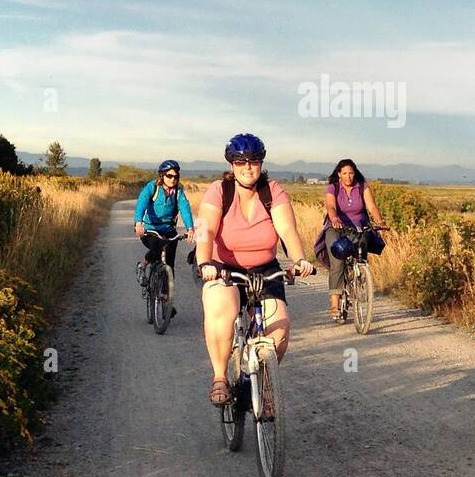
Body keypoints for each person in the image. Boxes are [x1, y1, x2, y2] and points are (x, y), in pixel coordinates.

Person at [195, 134, 315, 404]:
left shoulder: (272, 191)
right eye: (240, 162)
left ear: (261, 163)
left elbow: (287, 229)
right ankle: (220, 378)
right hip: (223, 268)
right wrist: (205, 262)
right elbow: (207, 229)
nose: (247, 167)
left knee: (279, 329)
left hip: (264, 269)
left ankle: (264, 382)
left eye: (253, 161)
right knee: (222, 308)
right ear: (232, 164)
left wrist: (299, 260)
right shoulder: (219, 190)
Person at [315, 158, 386, 320]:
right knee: (338, 260)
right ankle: (334, 303)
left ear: (355, 173)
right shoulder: (333, 187)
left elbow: (372, 206)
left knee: (361, 252)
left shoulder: (362, 186)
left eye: (351, 173)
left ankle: (359, 279)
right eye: (345, 173)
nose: (348, 177)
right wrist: (334, 218)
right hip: (336, 227)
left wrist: (380, 221)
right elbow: (330, 206)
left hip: (358, 227)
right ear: (339, 174)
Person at [135, 160, 194, 290]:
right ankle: (143, 265)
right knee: (156, 247)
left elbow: (185, 209)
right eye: (169, 176)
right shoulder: (152, 187)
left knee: (170, 264)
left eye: (176, 176)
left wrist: (190, 228)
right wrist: (138, 223)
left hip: (169, 229)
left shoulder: (178, 192)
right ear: (162, 175)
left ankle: (166, 298)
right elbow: (141, 203)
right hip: (151, 229)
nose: (173, 179)